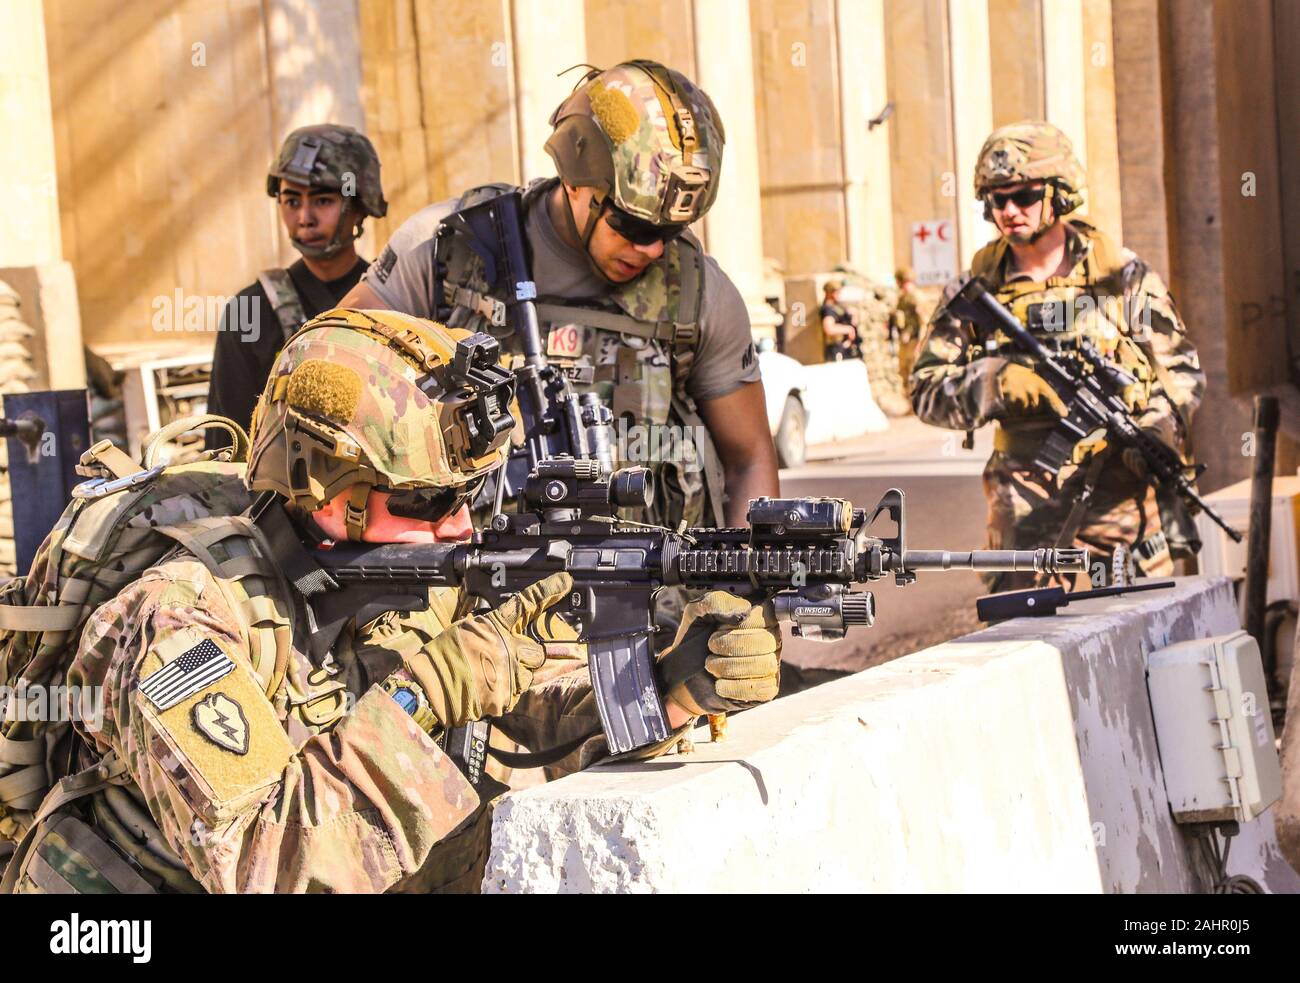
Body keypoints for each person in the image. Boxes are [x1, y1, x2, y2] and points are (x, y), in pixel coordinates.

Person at [2, 310, 781, 894]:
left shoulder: (403, 574)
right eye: (432, 499)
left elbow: (524, 717)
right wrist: (426, 690)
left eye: (470, 493)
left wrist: (671, 685)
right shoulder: (175, 618)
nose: (461, 523)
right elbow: (265, 862)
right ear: (330, 495)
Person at [337, 60, 778, 531]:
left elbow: (748, 459)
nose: (650, 248)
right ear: (575, 182)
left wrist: (740, 589)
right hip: (468, 595)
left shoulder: (698, 293)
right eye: (631, 225)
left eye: (670, 231)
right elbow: (334, 376)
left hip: (651, 597)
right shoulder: (445, 251)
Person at [910, 121, 1205, 591]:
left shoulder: (1119, 277)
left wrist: (1152, 432)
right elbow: (924, 390)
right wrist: (995, 383)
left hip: (1121, 515)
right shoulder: (976, 290)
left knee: (1140, 647)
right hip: (1024, 520)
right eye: (997, 199)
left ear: (1059, 193)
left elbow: (1182, 376)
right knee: (1022, 649)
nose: (1009, 210)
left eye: (1024, 196)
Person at [204, 124, 387, 451]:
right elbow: (226, 448)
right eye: (291, 201)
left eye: (323, 200)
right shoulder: (249, 312)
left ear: (360, 206)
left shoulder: (392, 300)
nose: (304, 217)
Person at [891, 266, 925, 394]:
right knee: (904, 372)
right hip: (905, 341)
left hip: (915, 341)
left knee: (914, 373)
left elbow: (924, 322)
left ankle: (916, 406)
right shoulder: (902, 298)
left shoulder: (916, 297)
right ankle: (909, 403)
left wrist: (920, 343)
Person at [819, 279, 861, 361]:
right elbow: (829, 328)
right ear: (829, 293)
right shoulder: (828, 309)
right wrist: (848, 329)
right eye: (836, 292)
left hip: (844, 347)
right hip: (837, 348)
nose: (839, 294)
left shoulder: (837, 306)